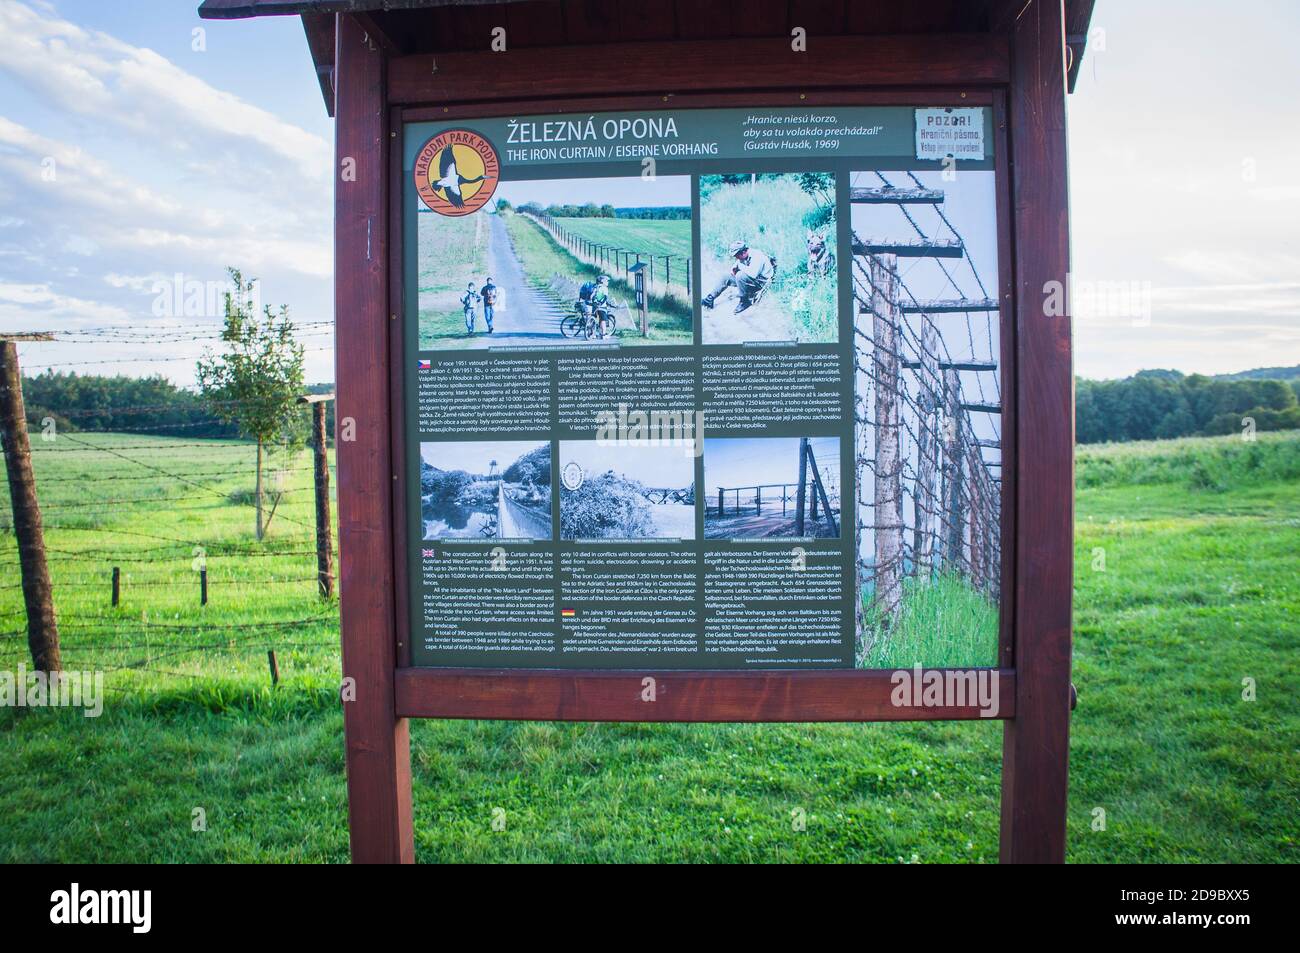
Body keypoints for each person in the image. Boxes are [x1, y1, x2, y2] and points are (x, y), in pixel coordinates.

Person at [702, 240, 775, 314]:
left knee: (740, 275)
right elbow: (738, 263)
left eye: (736, 256)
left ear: (743, 252)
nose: (736, 258)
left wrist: (739, 267)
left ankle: (744, 301)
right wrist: (734, 267)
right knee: (725, 277)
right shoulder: (745, 255)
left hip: (761, 282)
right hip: (751, 280)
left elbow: (753, 274)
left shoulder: (757, 256)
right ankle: (709, 299)